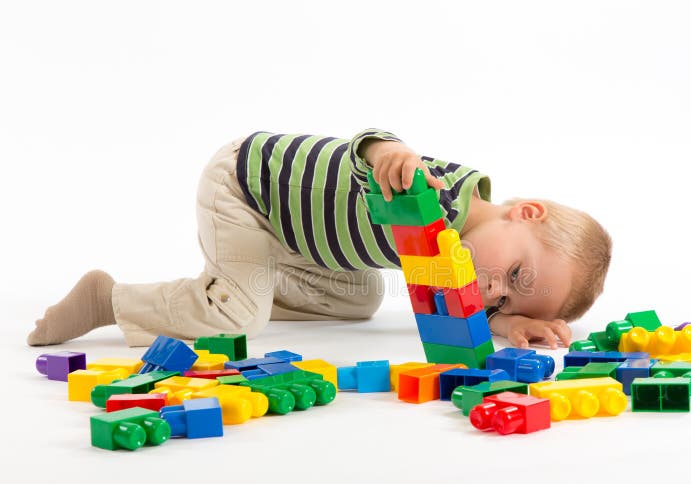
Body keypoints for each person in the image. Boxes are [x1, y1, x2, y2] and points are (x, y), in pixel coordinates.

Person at [26, 129, 612, 350]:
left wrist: (506, 324)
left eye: (504, 299)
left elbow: (452, 306)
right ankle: (111, 299)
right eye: (516, 276)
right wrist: (390, 156)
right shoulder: (442, 192)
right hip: (247, 189)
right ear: (525, 213)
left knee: (360, 299)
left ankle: (244, 284)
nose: (490, 289)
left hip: (299, 239)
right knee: (239, 322)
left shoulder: (456, 260)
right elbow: (369, 151)